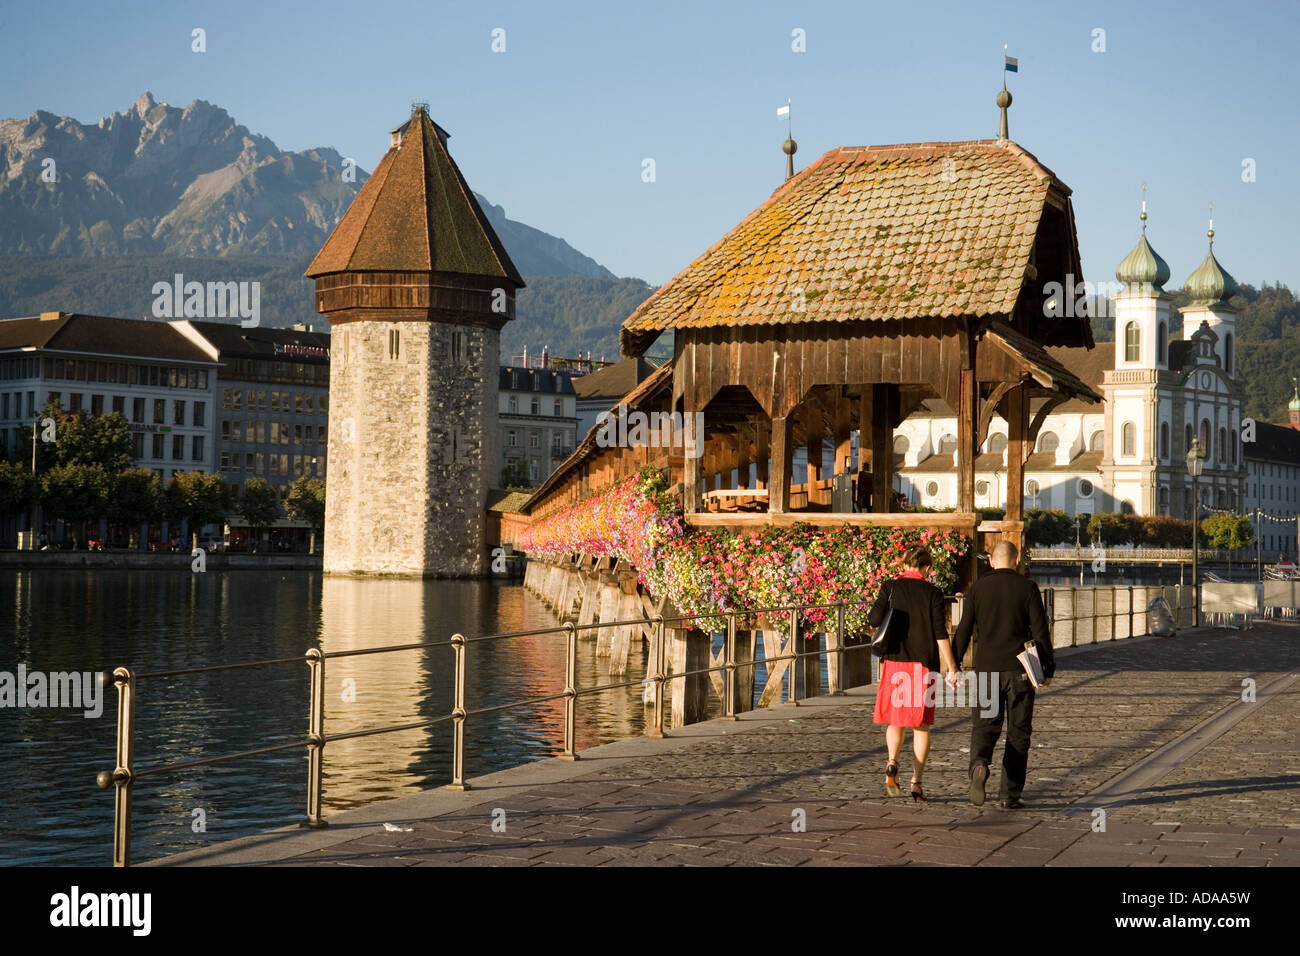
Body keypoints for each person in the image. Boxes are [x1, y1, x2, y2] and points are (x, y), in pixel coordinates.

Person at [951, 540, 1055, 809]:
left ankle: (979, 765)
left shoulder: (978, 588)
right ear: (1017, 561)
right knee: (1018, 732)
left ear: (991, 561)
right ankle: (1009, 794)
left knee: (984, 726)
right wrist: (1046, 668)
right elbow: (1041, 632)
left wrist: (954, 665)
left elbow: (963, 630)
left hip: (985, 669)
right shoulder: (1028, 588)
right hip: (1019, 670)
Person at [867, 545, 960, 802]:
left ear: (904, 563)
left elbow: (874, 620)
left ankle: (892, 761)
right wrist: (952, 668)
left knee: (895, 721)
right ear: (927, 568)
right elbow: (941, 633)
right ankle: (916, 782)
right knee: (921, 726)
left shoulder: (890, 587)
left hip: (895, 663)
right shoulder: (933, 592)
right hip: (923, 668)